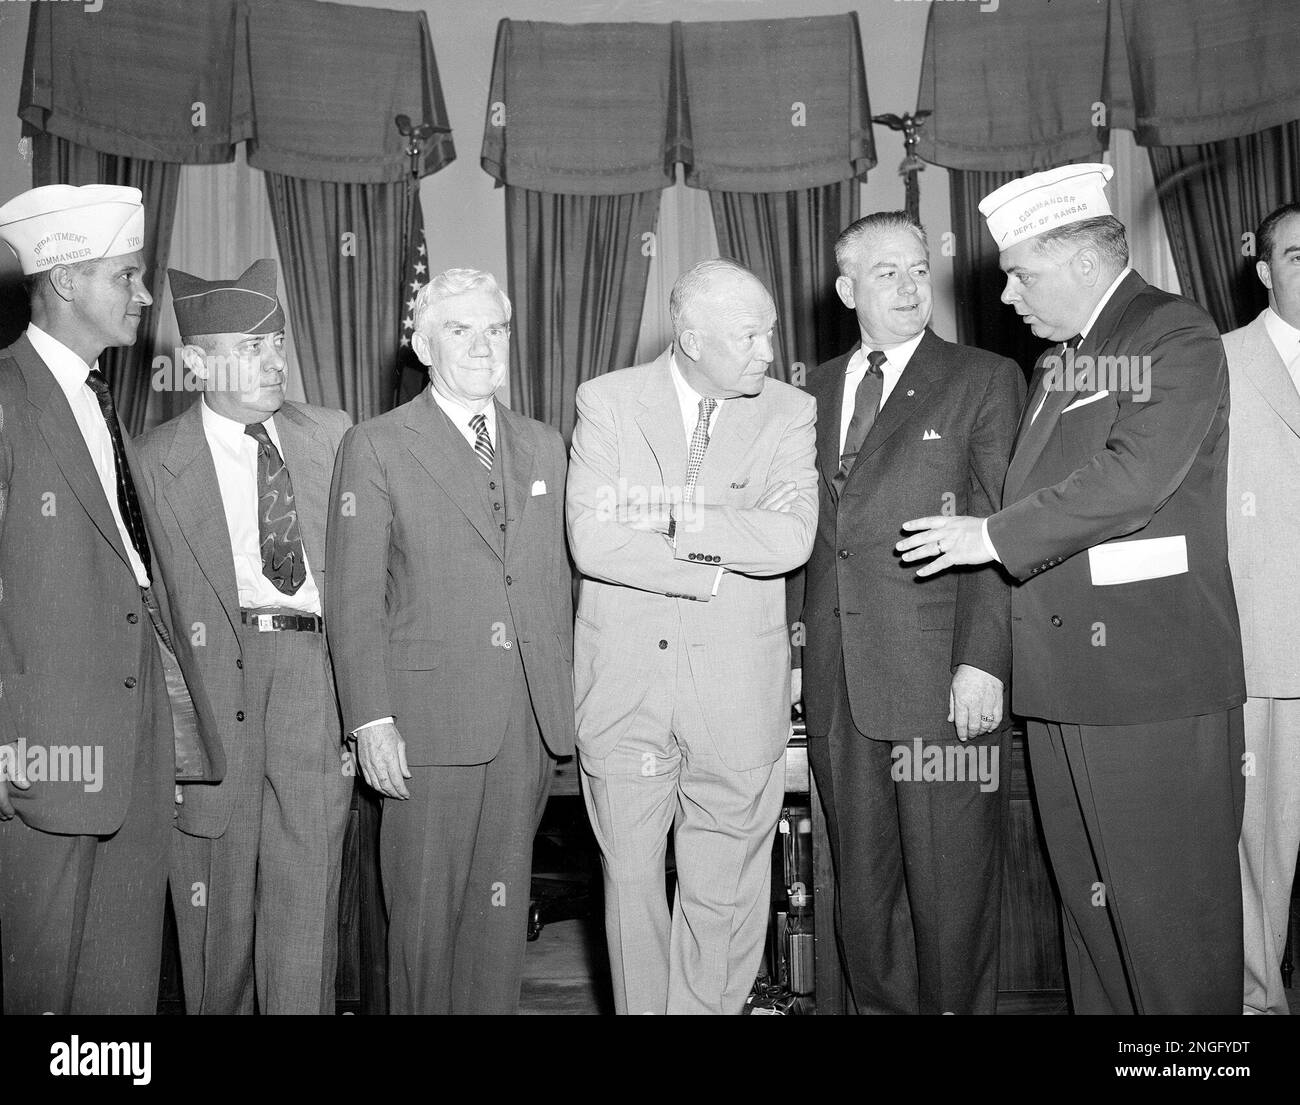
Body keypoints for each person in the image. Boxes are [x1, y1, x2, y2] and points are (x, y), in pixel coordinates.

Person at [897, 163, 1246, 1014]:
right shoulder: (1063, 362)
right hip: (1065, 685)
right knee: (1095, 928)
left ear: (1086, 261)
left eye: (1023, 273)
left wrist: (989, 536)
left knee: (1170, 931)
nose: (1008, 295)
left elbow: (1135, 479)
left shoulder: (1175, 334)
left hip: (1148, 685)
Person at [566, 258, 817, 1015]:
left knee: (724, 889)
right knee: (633, 885)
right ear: (691, 337)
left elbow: (790, 539)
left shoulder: (788, 411)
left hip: (738, 693)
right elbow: (593, 542)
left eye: (770, 332)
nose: (768, 351)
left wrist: (679, 519)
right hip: (626, 692)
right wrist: (711, 569)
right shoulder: (607, 401)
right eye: (750, 335)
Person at [790, 212, 1024, 1014]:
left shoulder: (984, 378)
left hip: (940, 683)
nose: (909, 286)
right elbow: (811, 543)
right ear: (847, 288)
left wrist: (983, 659)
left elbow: (999, 529)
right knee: (864, 898)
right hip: (839, 685)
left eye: (920, 269)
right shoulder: (809, 390)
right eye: (886, 272)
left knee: (951, 894)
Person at [326, 267, 574, 1014]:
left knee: (498, 936)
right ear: (423, 344)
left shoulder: (546, 445)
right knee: (425, 937)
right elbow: (353, 596)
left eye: (494, 329)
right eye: (459, 330)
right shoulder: (375, 445)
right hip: (426, 726)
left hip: (525, 727)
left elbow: (561, 581)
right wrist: (370, 719)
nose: (482, 345)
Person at [0, 184, 222, 1013]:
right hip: (38, 761)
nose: (142, 294)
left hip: (133, 756)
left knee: (119, 994)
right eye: (126, 275)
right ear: (63, 281)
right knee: (37, 992)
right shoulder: (7, 394)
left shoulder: (101, 402)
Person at [134, 259, 353, 1014]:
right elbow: (145, 612)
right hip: (206, 688)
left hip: (312, 678)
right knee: (213, 912)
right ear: (195, 362)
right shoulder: (151, 461)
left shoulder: (332, 435)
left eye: (277, 344)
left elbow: (370, 583)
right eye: (247, 348)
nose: (272, 362)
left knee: (307, 900)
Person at [1222, 201, 1300, 1015]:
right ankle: (1257, 1003)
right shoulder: (1220, 361)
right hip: (1270, 647)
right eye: (1299, 254)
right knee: (1262, 848)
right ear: (1264, 269)